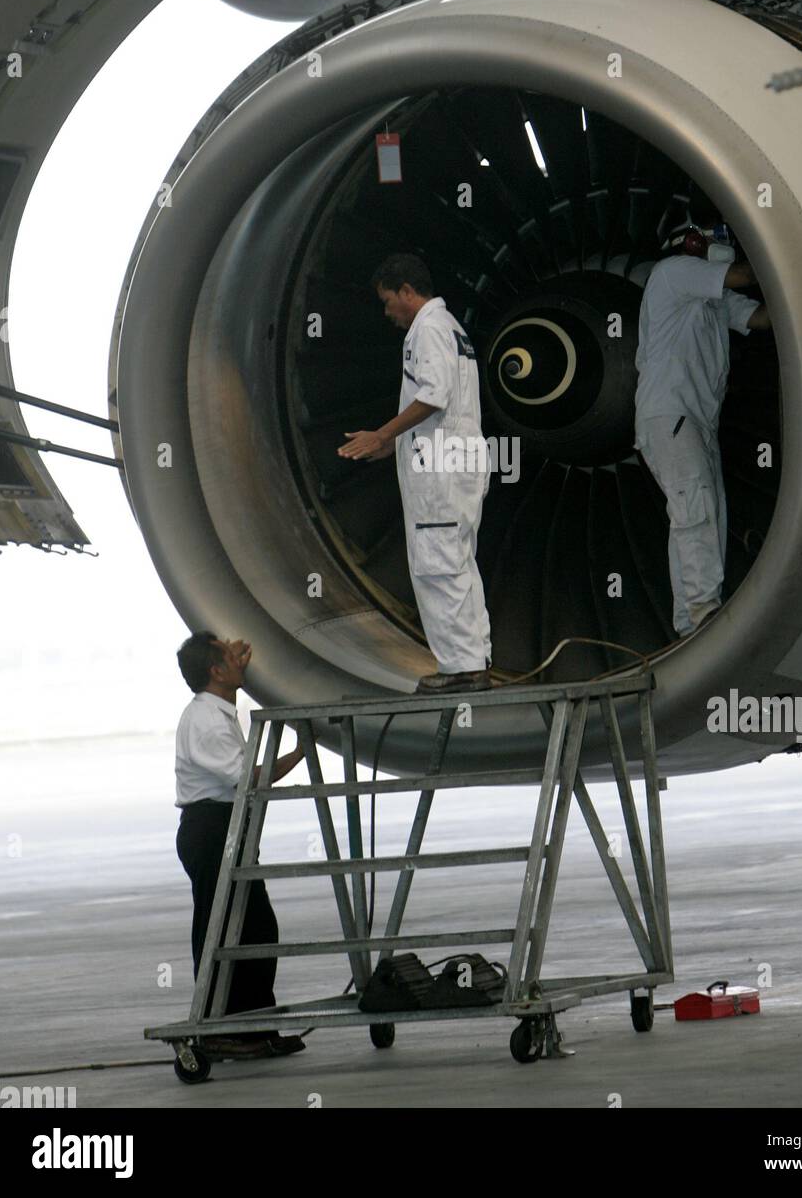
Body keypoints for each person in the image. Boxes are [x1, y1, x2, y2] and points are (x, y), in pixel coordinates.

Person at [337, 252, 492, 693]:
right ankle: (473, 658)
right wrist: (392, 444)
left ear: (408, 291)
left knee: (438, 563)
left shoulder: (428, 329)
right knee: (457, 559)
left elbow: (435, 396)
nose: (388, 313)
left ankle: (461, 668)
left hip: (442, 469)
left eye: (389, 301)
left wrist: (381, 433)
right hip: (455, 459)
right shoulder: (451, 329)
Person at [633, 227, 772, 638]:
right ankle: (703, 609)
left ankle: (688, 622)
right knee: (695, 507)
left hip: (698, 423)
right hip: (670, 415)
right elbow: (743, 276)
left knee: (703, 514)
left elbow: (758, 317)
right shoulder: (674, 272)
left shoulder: (712, 300)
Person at [174, 631, 307, 1059]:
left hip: (227, 827)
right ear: (216, 671)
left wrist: (244, 671)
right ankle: (220, 1029)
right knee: (223, 932)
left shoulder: (219, 711)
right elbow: (248, 777)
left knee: (252, 929)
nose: (241, 658)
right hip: (212, 829)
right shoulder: (209, 723)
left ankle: (253, 1025)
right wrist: (301, 750)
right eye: (232, 657)